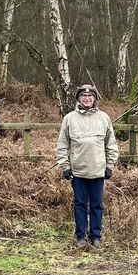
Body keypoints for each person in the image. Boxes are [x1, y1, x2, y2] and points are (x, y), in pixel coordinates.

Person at [55, 84, 119, 250]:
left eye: (90, 96)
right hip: (77, 172)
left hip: (98, 171)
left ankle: (96, 236)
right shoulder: (69, 118)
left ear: (95, 98)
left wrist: (110, 165)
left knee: (97, 205)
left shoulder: (104, 118)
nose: (87, 98)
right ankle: (81, 236)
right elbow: (62, 145)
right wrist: (65, 166)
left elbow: (111, 144)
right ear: (78, 98)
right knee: (80, 204)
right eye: (83, 96)